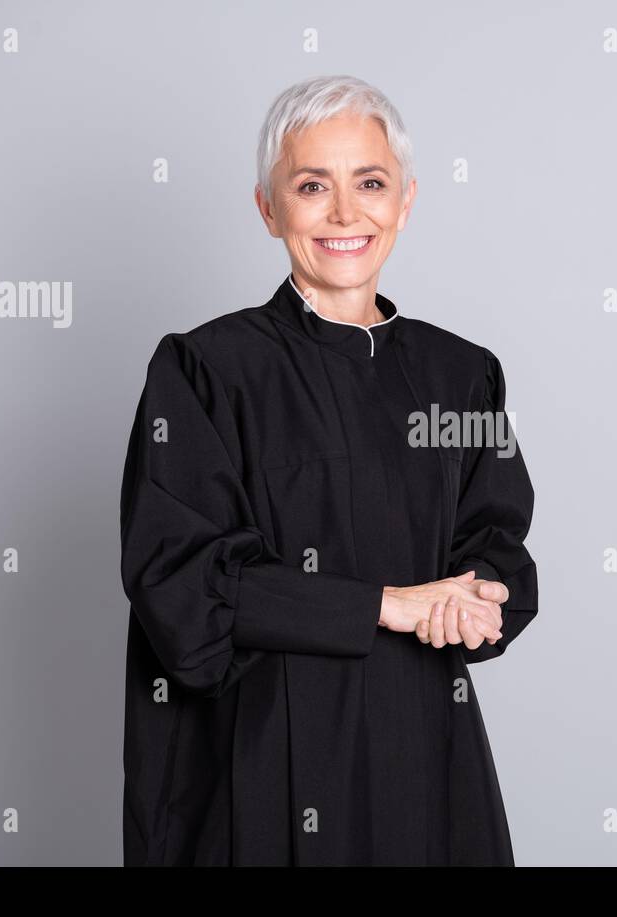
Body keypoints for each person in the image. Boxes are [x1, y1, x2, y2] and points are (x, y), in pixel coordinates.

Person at [118, 74, 538, 865]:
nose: (346, 214)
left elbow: (501, 549)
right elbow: (183, 584)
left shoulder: (462, 375)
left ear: (405, 201)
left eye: (370, 183)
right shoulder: (206, 371)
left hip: (427, 762)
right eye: (313, 186)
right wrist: (386, 605)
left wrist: (478, 598)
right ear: (268, 207)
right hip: (265, 766)